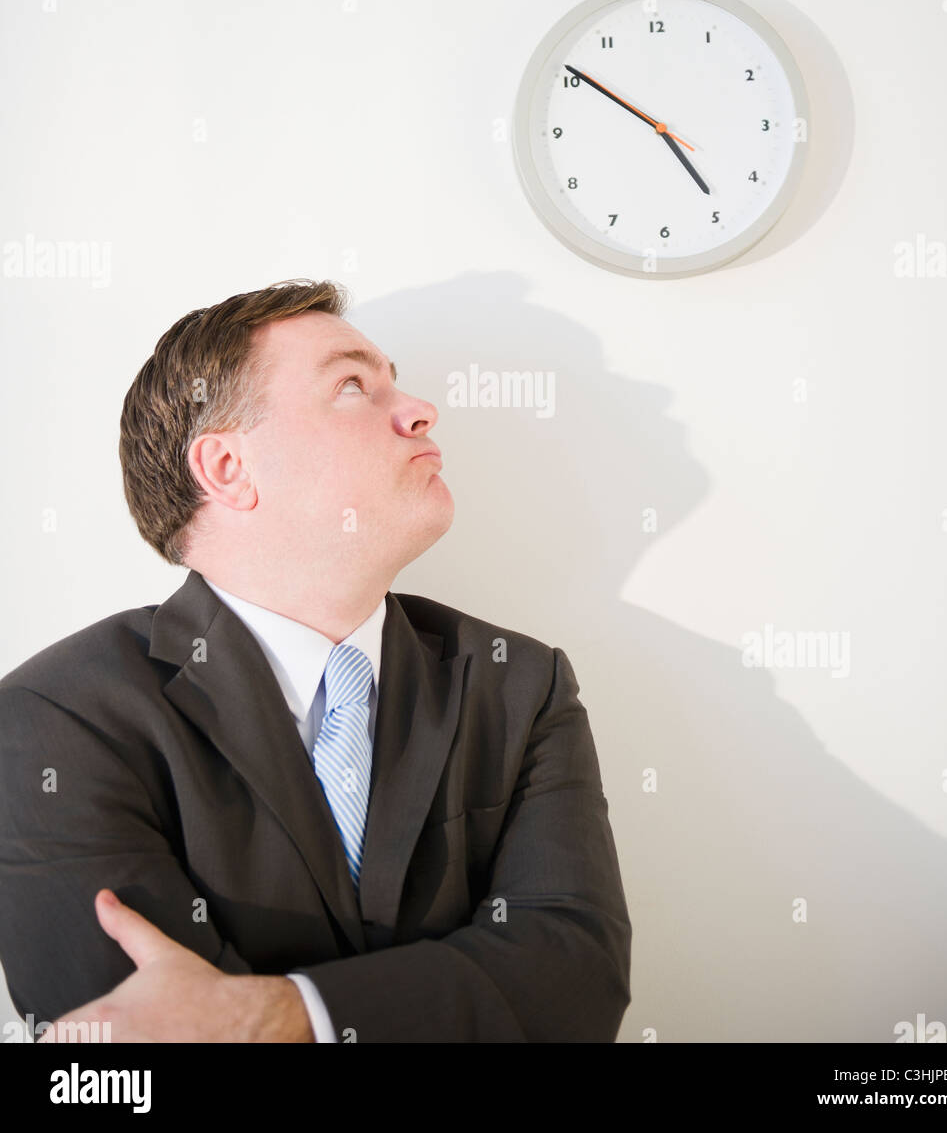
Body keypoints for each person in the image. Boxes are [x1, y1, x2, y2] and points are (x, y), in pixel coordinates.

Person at [0, 278, 632, 1042]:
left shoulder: (518, 685)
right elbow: (127, 1050)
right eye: (353, 386)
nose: (420, 411)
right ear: (228, 469)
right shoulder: (52, 718)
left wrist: (283, 1015)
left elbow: (577, 977)